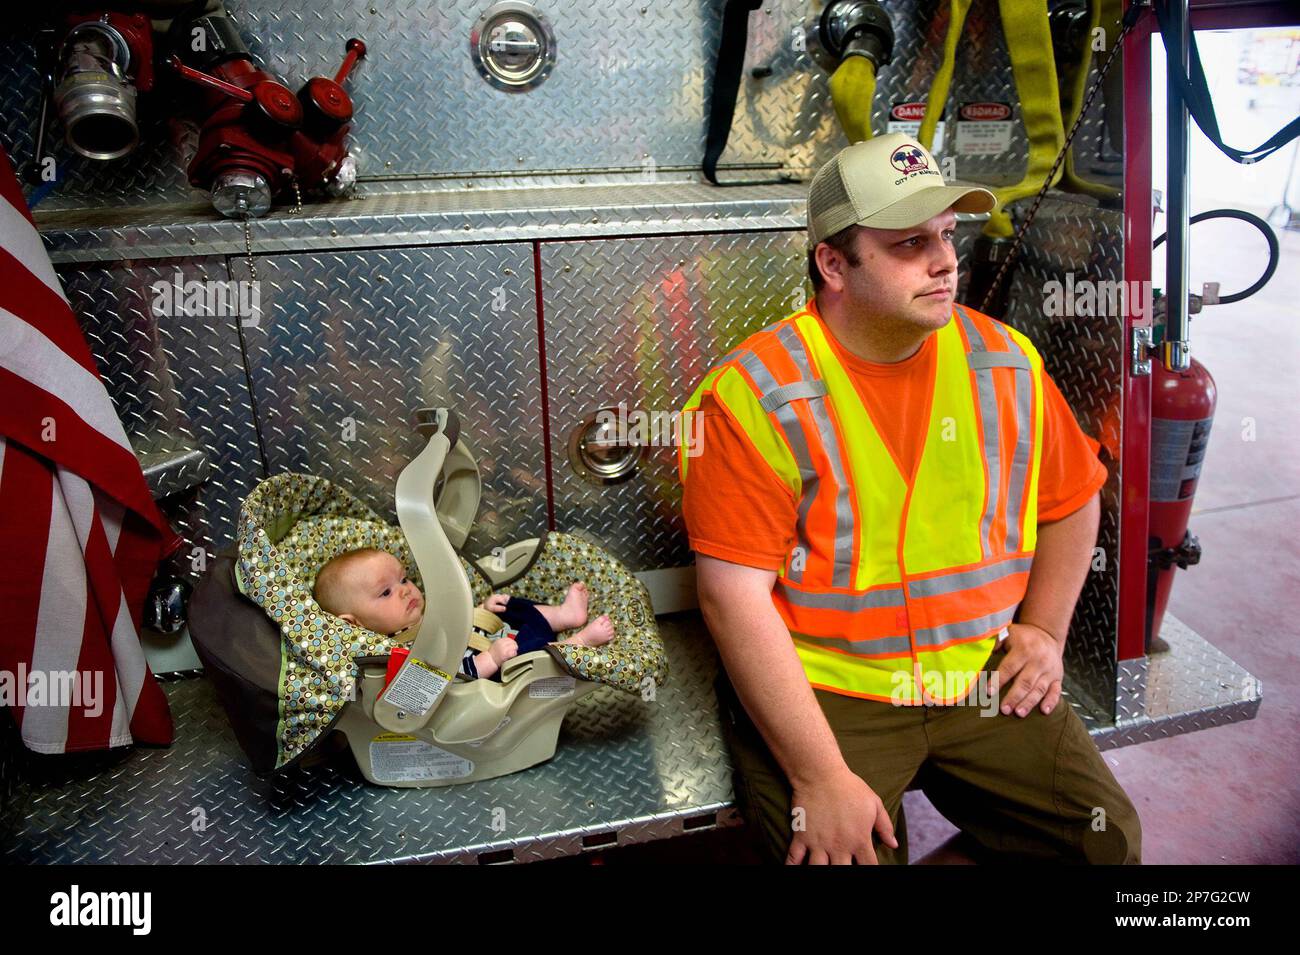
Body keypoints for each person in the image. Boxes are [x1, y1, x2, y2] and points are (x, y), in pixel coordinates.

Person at [678, 133, 1141, 865]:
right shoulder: (756, 396)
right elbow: (732, 598)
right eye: (908, 243)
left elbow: (1075, 500)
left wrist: (1046, 631)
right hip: (830, 689)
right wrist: (820, 774)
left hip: (978, 674)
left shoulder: (1006, 363)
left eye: (948, 234)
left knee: (1102, 845)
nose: (945, 260)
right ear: (833, 263)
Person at [312, 547, 614, 680]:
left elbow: (454, 620)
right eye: (386, 592)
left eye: (404, 579)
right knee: (534, 661)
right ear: (354, 623)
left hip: (494, 634)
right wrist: (492, 659)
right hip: (498, 668)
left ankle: (564, 615)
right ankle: (578, 646)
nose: (405, 590)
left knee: (511, 606)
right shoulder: (397, 653)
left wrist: (481, 612)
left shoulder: (416, 610)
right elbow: (448, 678)